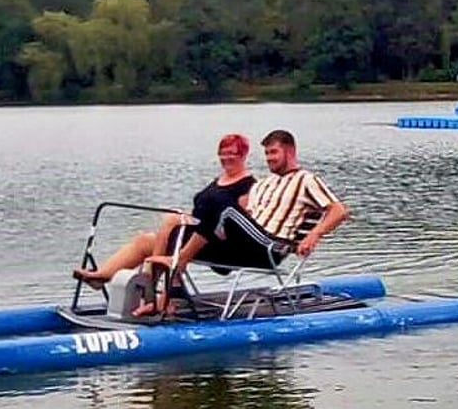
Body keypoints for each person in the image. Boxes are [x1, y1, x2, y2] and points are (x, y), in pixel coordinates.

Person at [139, 129, 349, 314]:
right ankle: (164, 301)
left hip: (267, 246)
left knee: (220, 201)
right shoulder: (264, 184)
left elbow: (338, 210)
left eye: (274, 152)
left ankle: (181, 261)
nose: (269, 158)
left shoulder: (306, 179)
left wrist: (314, 235)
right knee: (177, 231)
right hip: (242, 244)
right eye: (266, 154)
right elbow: (241, 214)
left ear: (290, 152)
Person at [72, 133, 257, 288]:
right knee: (144, 240)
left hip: (216, 245)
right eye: (222, 153)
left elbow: (234, 225)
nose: (225, 158)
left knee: (170, 222)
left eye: (231, 153)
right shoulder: (220, 180)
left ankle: (150, 282)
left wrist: (187, 223)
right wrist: (186, 218)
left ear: (243, 155)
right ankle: (102, 276)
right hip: (194, 236)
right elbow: (203, 212)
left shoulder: (247, 186)